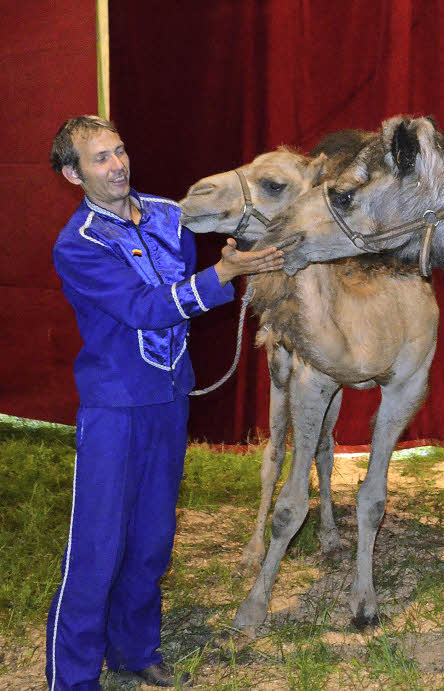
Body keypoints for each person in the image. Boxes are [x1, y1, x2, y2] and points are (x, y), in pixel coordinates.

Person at [45, 115, 283, 690]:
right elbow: (146, 309)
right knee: (97, 548)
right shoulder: (77, 246)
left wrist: (243, 246)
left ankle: (134, 648)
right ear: (72, 175)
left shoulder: (167, 215)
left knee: (153, 538)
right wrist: (223, 273)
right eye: (100, 158)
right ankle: (71, 678)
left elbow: (222, 233)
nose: (118, 164)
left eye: (120, 151)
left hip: (170, 397)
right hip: (114, 406)